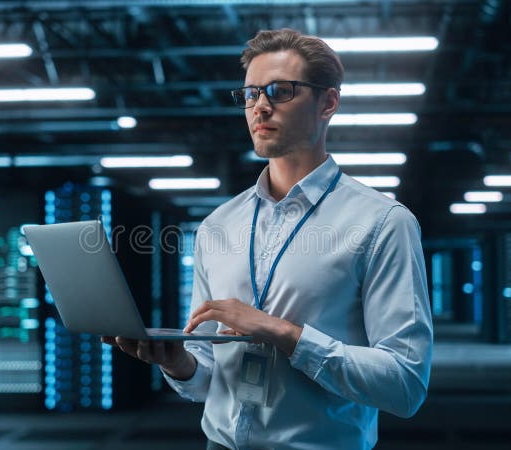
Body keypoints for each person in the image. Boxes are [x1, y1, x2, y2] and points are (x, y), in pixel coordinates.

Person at [103, 28, 433, 450]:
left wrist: (285, 334)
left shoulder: (383, 222)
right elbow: (207, 378)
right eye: (250, 93)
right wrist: (180, 364)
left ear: (327, 102)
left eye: (280, 91)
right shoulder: (217, 226)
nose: (260, 106)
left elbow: (405, 386)